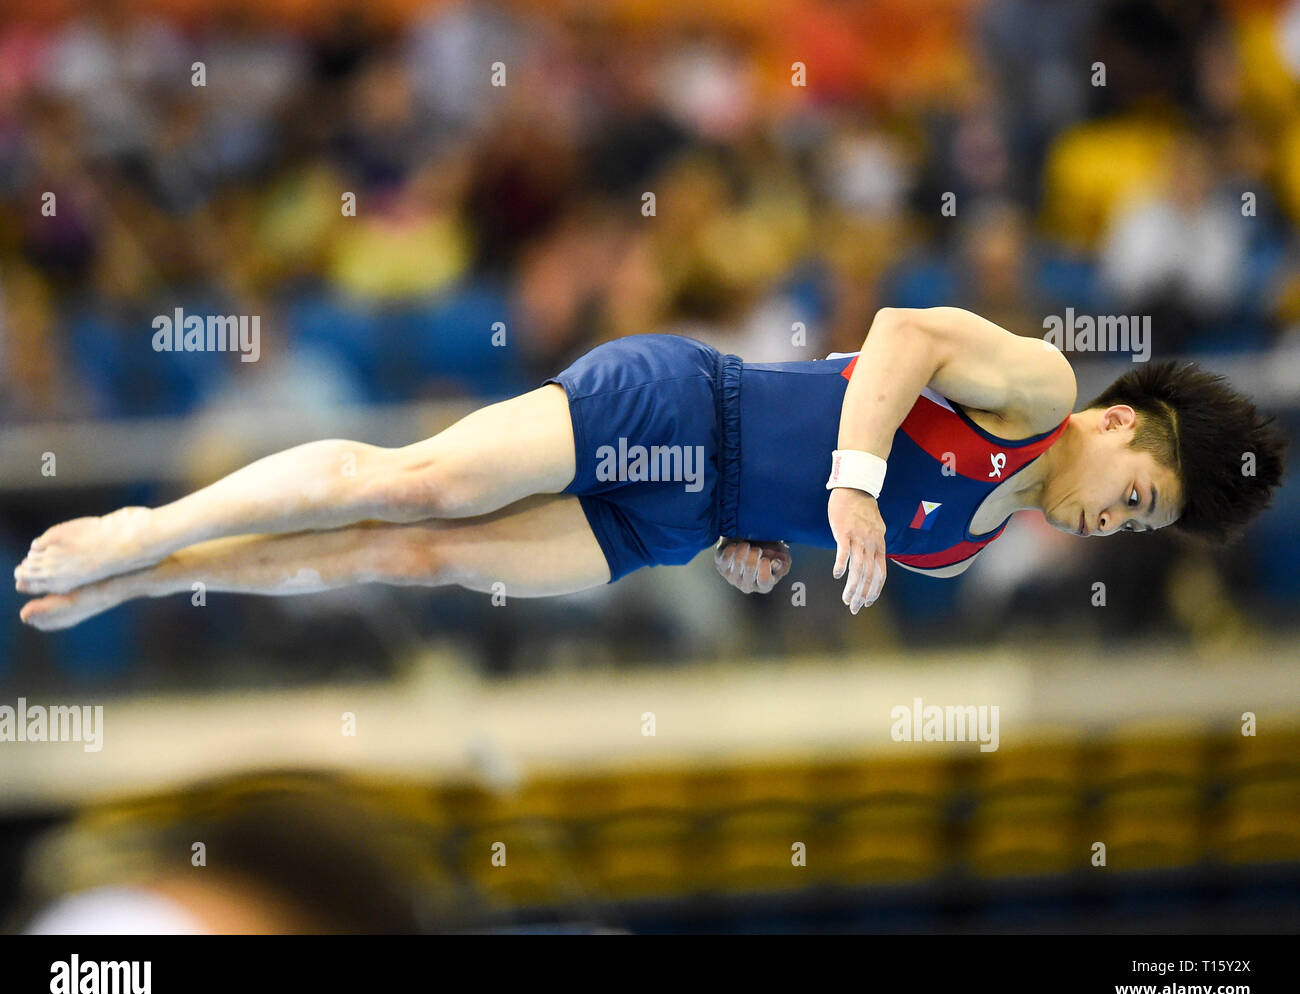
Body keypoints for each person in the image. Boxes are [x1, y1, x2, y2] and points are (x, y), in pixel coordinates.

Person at [14, 306, 1287, 630]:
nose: (1115, 522)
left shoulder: (975, 539)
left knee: (418, 559)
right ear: (1124, 428)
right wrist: (849, 477)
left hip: (682, 518)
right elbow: (898, 336)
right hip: (680, 400)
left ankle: (148, 580)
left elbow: (818, 478)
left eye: (1138, 530)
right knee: (419, 484)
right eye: (1137, 499)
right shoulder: (1045, 390)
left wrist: (765, 540)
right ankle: (145, 521)